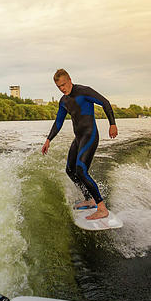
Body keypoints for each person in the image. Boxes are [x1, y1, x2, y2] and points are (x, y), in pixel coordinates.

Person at [40, 69, 117, 220]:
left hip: (90, 136)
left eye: (63, 84)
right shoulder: (64, 101)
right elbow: (59, 122)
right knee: (70, 170)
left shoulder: (84, 91)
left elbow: (105, 103)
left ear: (69, 79)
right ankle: (89, 199)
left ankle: (102, 208)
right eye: (59, 87)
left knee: (81, 170)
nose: (62, 88)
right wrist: (48, 139)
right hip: (78, 138)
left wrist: (112, 124)